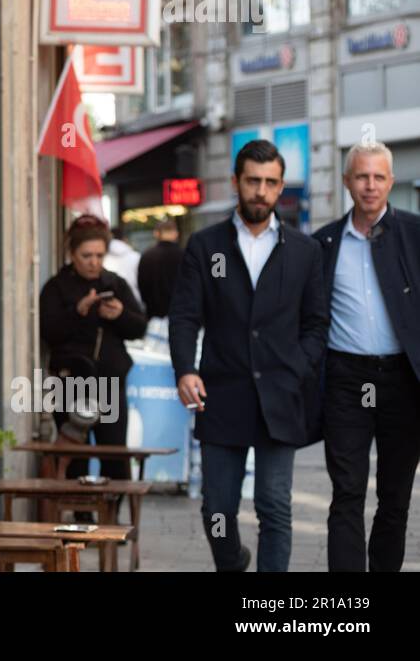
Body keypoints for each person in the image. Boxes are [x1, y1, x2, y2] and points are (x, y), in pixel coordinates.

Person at [168, 139, 328, 572]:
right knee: (217, 511)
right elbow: (184, 316)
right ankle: (232, 562)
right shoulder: (206, 247)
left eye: (271, 183)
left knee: (274, 507)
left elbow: (316, 324)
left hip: (282, 394)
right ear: (236, 182)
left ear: (281, 188)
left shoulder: (306, 251)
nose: (261, 191)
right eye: (253, 181)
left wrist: (297, 367)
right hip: (222, 392)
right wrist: (185, 369)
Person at [313, 141, 420, 572]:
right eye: (361, 176)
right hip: (347, 379)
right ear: (346, 181)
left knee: (394, 498)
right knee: (347, 493)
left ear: (391, 182)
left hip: (401, 380)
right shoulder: (323, 244)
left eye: (378, 177)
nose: (370, 185)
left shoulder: (415, 234)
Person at [40, 215, 148, 481]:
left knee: (115, 458)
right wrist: (79, 311)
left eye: (99, 255)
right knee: (76, 461)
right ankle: (82, 517)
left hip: (110, 382)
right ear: (73, 255)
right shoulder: (57, 287)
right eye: (87, 256)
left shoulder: (115, 284)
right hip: (71, 384)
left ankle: (112, 518)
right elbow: (49, 332)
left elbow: (139, 328)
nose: (94, 262)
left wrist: (120, 314)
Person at [138, 217, 186, 320]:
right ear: (176, 233)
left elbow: (142, 287)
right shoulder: (185, 255)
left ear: (156, 233)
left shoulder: (147, 256)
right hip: (180, 317)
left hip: (154, 317)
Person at [103, 227, 143, 308]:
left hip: (108, 301)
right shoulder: (135, 256)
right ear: (125, 239)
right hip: (134, 299)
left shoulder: (102, 256)